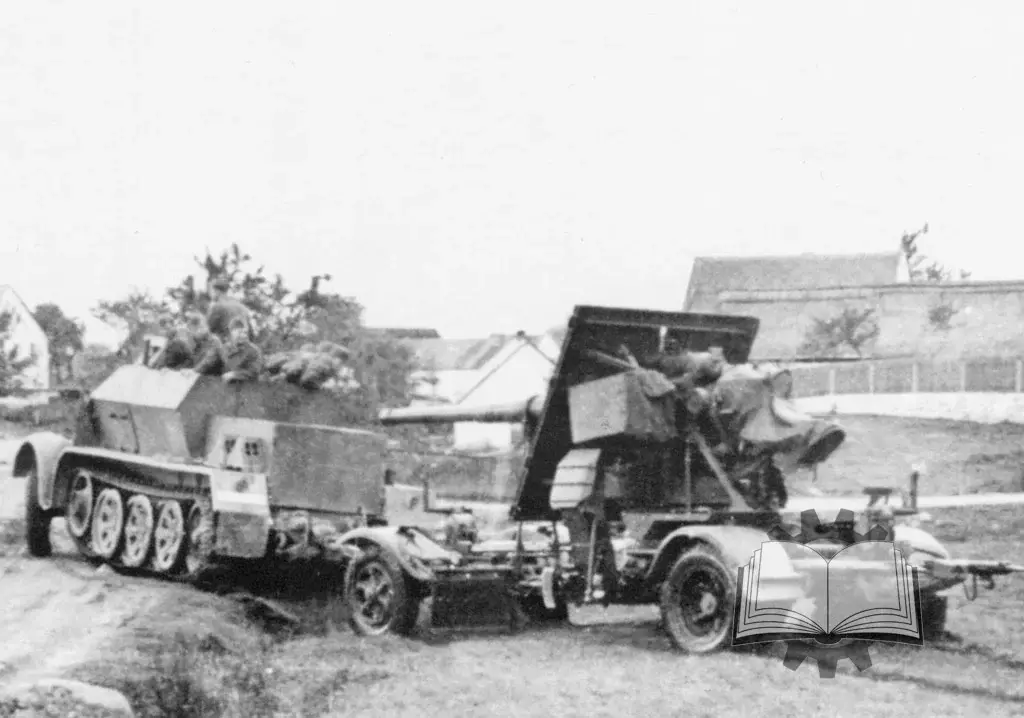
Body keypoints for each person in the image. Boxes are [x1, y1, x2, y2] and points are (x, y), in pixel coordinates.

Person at [150, 311, 223, 371]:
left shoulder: (213, 341)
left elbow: (208, 361)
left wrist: (193, 370)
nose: (191, 334)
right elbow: (189, 361)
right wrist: (171, 369)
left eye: (193, 330)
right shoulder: (198, 343)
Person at [196, 316, 262, 383]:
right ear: (231, 332)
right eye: (239, 332)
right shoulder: (225, 348)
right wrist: (194, 372)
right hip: (225, 387)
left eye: (244, 332)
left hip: (245, 388)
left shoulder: (254, 351)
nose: (243, 335)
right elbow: (209, 362)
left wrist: (235, 374)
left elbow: (254, 372)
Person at [205, 276, 253, 342]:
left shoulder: (217, 306)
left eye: (211, 291)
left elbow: (208, 330)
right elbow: (251, 332)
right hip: (244, 345)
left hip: (227, 346)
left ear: (216, 291)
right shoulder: (241, 306)